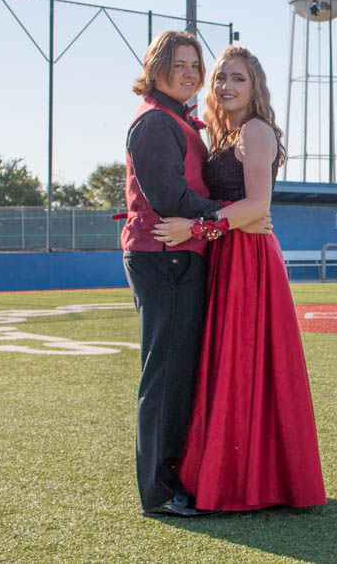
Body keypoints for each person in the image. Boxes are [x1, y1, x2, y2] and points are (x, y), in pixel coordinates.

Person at [153, 46, 326, 512]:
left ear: (255, 89)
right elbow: (242, 210)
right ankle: (228, 474)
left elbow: (257, 208)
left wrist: (194, 227)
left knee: (245, 363)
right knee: (228, 363)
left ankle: (248, 483)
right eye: (222, 78)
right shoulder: (223, 134)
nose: (226, 85)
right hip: (227, 252)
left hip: (249, 258)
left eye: (239, 79)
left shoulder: (255, 130)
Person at [121, 31, 270, 517]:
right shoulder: (154, 123)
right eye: (178, 63)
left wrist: (223, 219)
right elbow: (170, 198)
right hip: (165, 255)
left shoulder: (183, 122)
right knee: (165, 375)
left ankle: (178, 478)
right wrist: (230, 213)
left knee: (181, 372)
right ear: (156, 66)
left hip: (185, 253)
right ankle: (160, 492)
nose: (189, 72)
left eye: (194, 65)